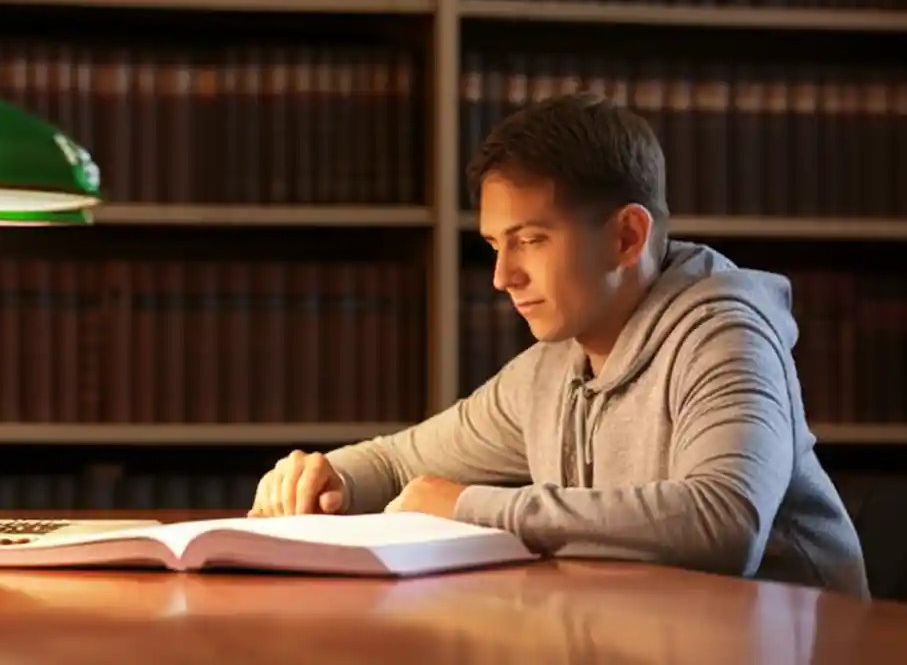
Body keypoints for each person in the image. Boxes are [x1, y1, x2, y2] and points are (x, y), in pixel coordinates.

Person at [247, 91, 870, 599]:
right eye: (496, 245)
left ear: (627, 237)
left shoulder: (725, 335)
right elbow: (400, 465)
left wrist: (472, 506)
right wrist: (326, 476)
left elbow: (723, 524)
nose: (502, 276)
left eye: (532, 240)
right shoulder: (551, 369)